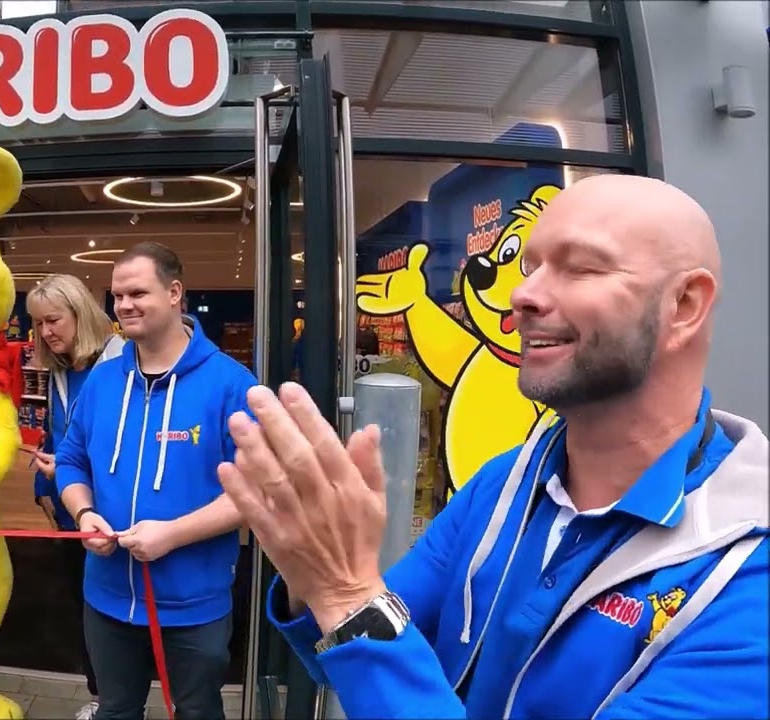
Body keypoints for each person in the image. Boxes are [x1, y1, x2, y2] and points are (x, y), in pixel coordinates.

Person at [217, 175, 768, 719]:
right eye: (529, 267)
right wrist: (314, 557)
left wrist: (343, 591)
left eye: (580, 268)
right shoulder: (506, 483)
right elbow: (345, 649)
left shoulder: (745, 571)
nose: (521, 295)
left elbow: (357, 620)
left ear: (686, 305)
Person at [54, 241, 257, 720]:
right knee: (116, 709)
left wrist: (172, 534)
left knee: (196, 712)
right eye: (117, 295)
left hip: (194, 606)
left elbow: (255, 492)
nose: (124, 305)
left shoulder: (232, 385)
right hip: (106, 600)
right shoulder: (103, 383)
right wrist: (85, 514)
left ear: (174, 293)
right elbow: (70, 460)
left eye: (137, 293)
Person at [26, 273, 127, 720]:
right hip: (72, 514)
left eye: (53, 320)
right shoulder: (62, 371)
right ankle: (105, 698)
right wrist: (48, 481)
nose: (46, 332)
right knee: (86, 611)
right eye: (38, 324)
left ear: (80, 314)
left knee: (122, 613)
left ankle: (120, 700)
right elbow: (65, 438)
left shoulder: (124, 360)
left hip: (116, 515)